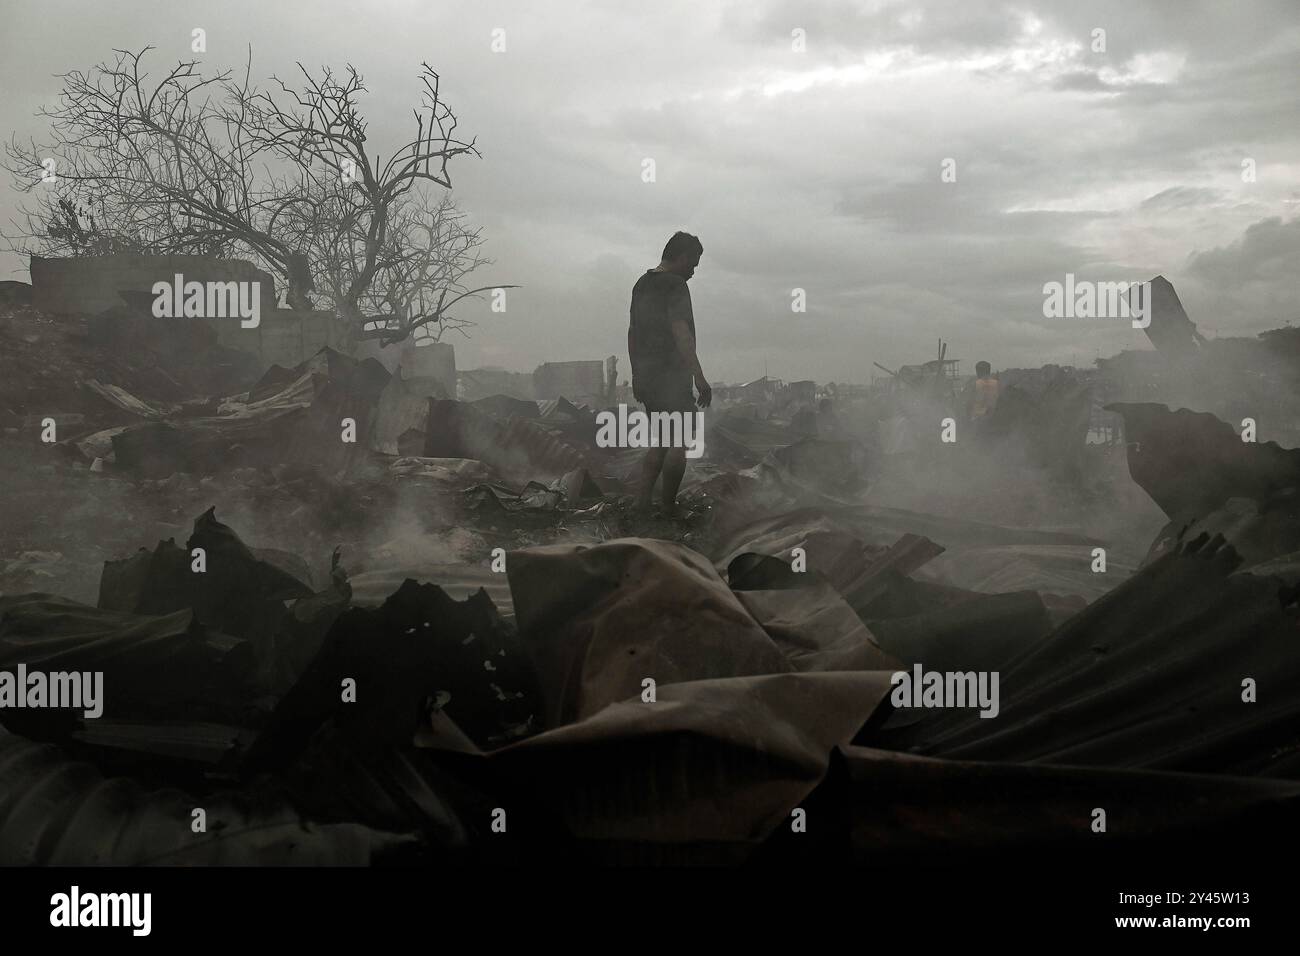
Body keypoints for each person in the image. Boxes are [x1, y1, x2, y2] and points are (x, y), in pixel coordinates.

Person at [627, 231, 711, 515]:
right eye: (694, 264)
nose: (694, 271)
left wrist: (636, 374)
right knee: (680, 442)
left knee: (661, 441)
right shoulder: (675, 285)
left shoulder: (641, 284)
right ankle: (667, 507)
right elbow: (681, 333)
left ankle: (641, 504)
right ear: (683, 257)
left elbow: (632, 333)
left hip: (647, 378)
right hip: (671, 378)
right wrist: (699, 377)